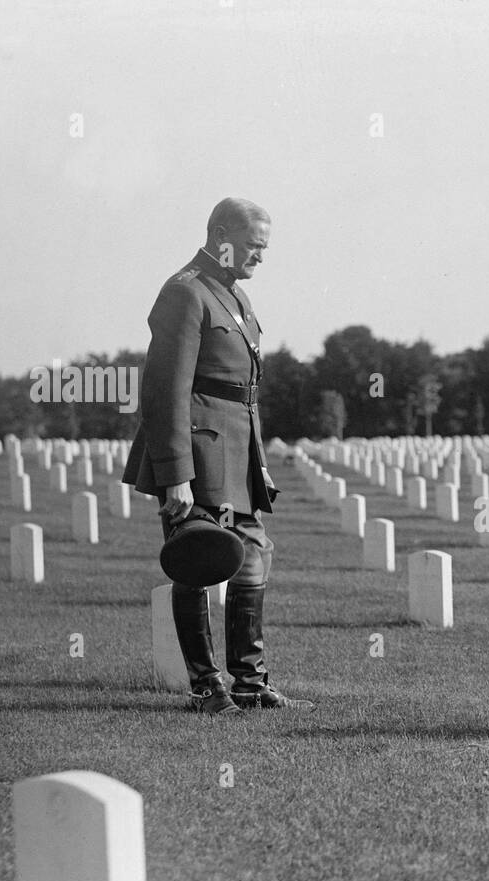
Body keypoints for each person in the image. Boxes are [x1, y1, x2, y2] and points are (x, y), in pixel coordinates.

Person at [123, 197, 312, 714]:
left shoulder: (234, 297)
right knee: (197, 561)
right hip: (199, 454)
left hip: (238, 452)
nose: (260, 257)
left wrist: (258, 460)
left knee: (254, 554)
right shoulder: (185, 293)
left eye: (264, 249)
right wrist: (175, 476)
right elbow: (166, 392)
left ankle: (250, 682)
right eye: (254, 246)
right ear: (222, 235)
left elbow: (243, 391)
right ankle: (207, 686)